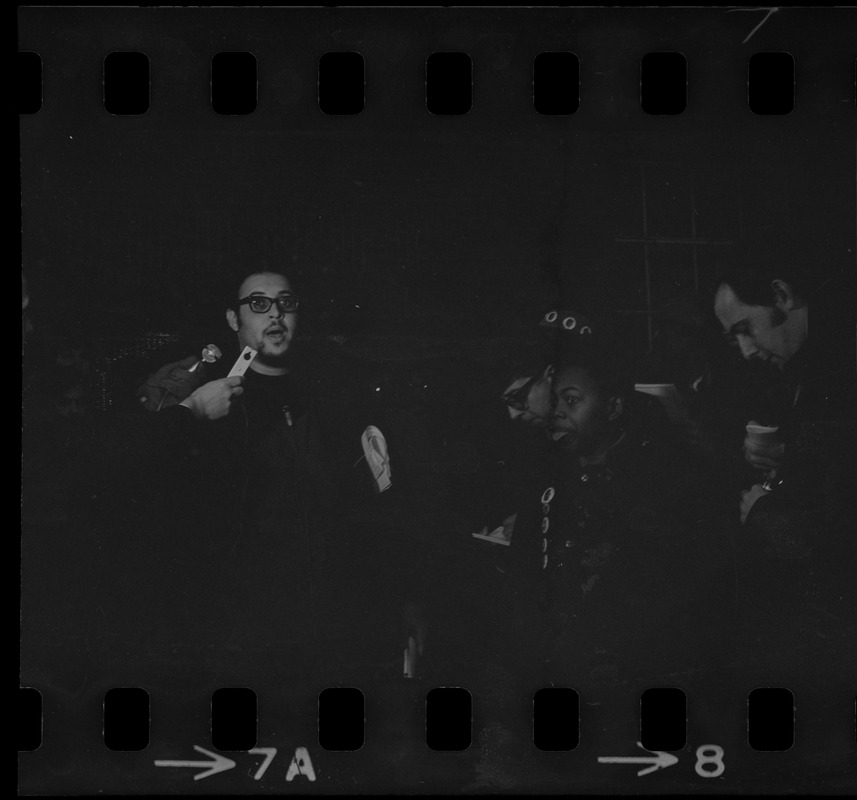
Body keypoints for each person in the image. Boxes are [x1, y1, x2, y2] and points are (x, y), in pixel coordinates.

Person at [713, 261, 857, 771]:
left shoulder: (839, 366)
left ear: (781, 295)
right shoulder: (817, 360)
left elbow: (837, 530)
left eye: (745, 328)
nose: (746, 349)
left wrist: (763, 511)